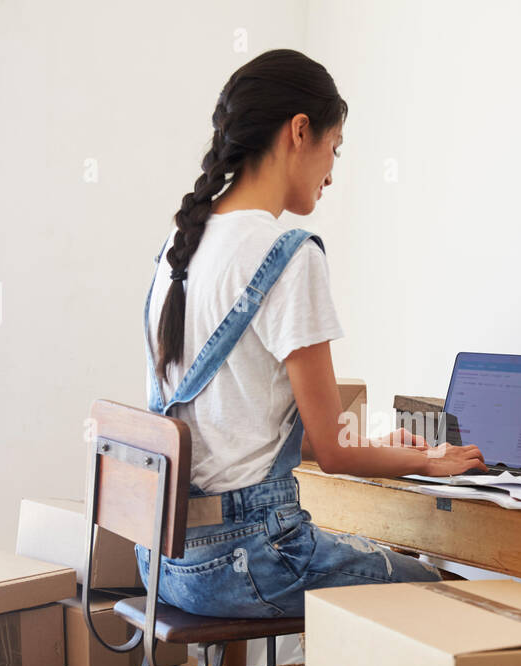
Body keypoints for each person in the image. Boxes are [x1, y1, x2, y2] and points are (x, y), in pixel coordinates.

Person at [136, 49, 484, 619]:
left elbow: (238, 433)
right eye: (334, 148)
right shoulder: (289, 256)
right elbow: (333, 451)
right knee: (442, 592)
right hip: (248, 560)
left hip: (163, 562)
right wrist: (429, 462)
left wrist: (381, 449)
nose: (332, 172)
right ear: (300, 131)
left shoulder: (178, 252)